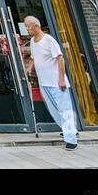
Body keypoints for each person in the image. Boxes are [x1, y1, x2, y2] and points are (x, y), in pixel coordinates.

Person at [24, 15, 78, 149]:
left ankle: (71, 140)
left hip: (56, 82)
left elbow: (60, 59)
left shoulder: (49, 40)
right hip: (44, 82)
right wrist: (30, 68)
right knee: (54, 109)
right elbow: (34, 57)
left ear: (36, 26)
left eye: (28, 26)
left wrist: (61, 79)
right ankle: (71, 130)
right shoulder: (32, 41)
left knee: (65, 109)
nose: (27, 29)